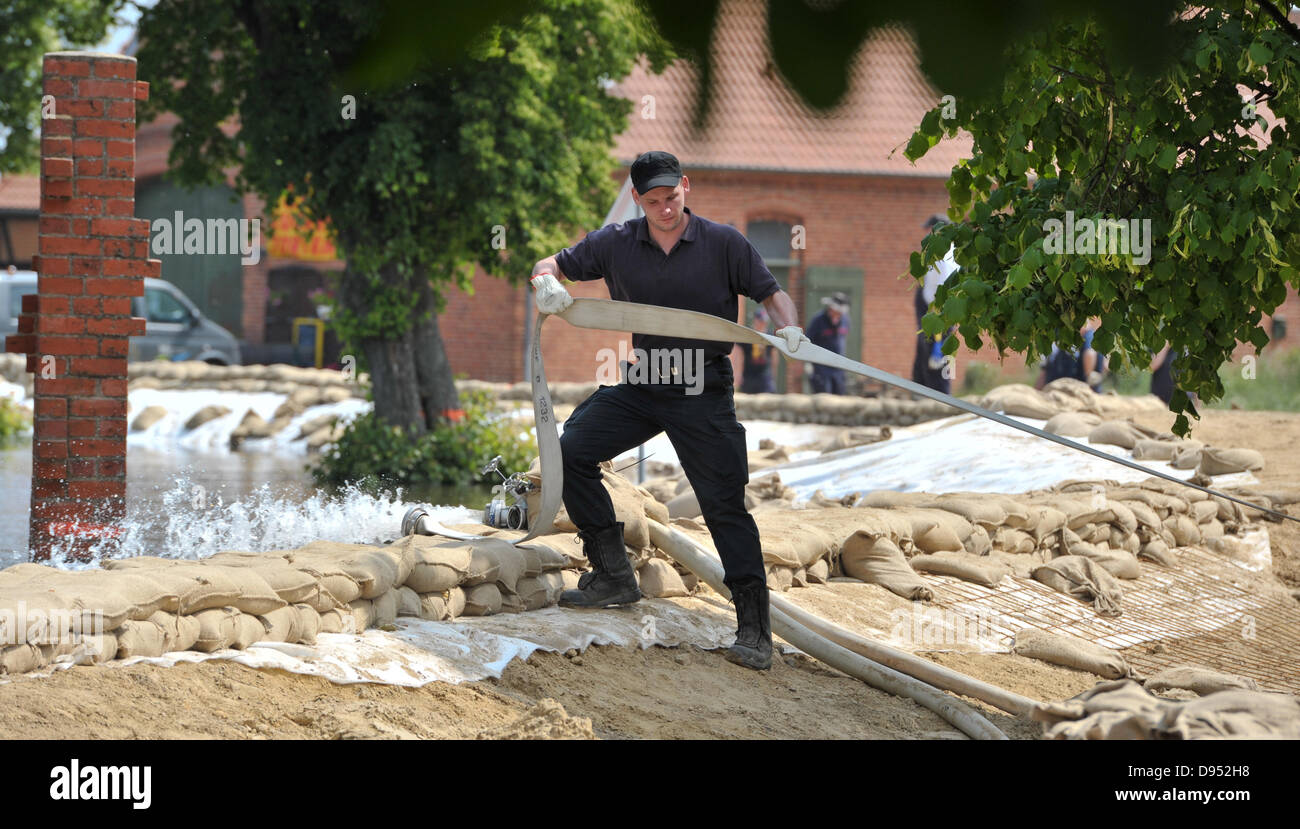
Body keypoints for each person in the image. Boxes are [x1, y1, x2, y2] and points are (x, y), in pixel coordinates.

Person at [529, 150, 804, 671]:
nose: (665, 209)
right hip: (645, 380)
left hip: (703, 386)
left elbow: (773, 294)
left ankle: (753, 627)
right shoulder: (614, 244)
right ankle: (613, 574)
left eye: (672, 197)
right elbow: (551, 265)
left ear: (686, 186)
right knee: (569, 452)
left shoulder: (725, 244)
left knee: (724, 503)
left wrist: (789, 328)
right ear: (637, 199)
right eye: (652, 201)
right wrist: (548, 284)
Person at [912, 215, 960, 394]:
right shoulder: (944, 251)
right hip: (934, 313)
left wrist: (940, 323)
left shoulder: (944, 256)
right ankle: (923, 396)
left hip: (936, 315)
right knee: (924, 364)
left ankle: (940, 401)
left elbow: (944, 287)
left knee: (938, 365)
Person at [1036, 318, 1106, 392]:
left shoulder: (1089, 336)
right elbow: (1045, 371)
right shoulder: (1059, 339)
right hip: (1059, 389)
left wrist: (1089, 377)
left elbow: (1090, 354)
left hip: (1078, 390)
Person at [806, 292, 850, 394]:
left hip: (839, 367)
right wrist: (808, 363)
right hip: (821, 367)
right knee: (824, 398)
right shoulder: (818, 320)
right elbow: (807, 341)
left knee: (839, 399)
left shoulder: (845, 320)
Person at [739, 307, 777, 393]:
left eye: (764, 322)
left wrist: (773, 377)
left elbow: (774, 358)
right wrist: (738, 374)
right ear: (755, 320)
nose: (763, 324)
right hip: (749, 376)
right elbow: (739, 355)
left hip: (765, 377)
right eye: (761, 321)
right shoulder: (747, 335)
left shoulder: (770, 336)